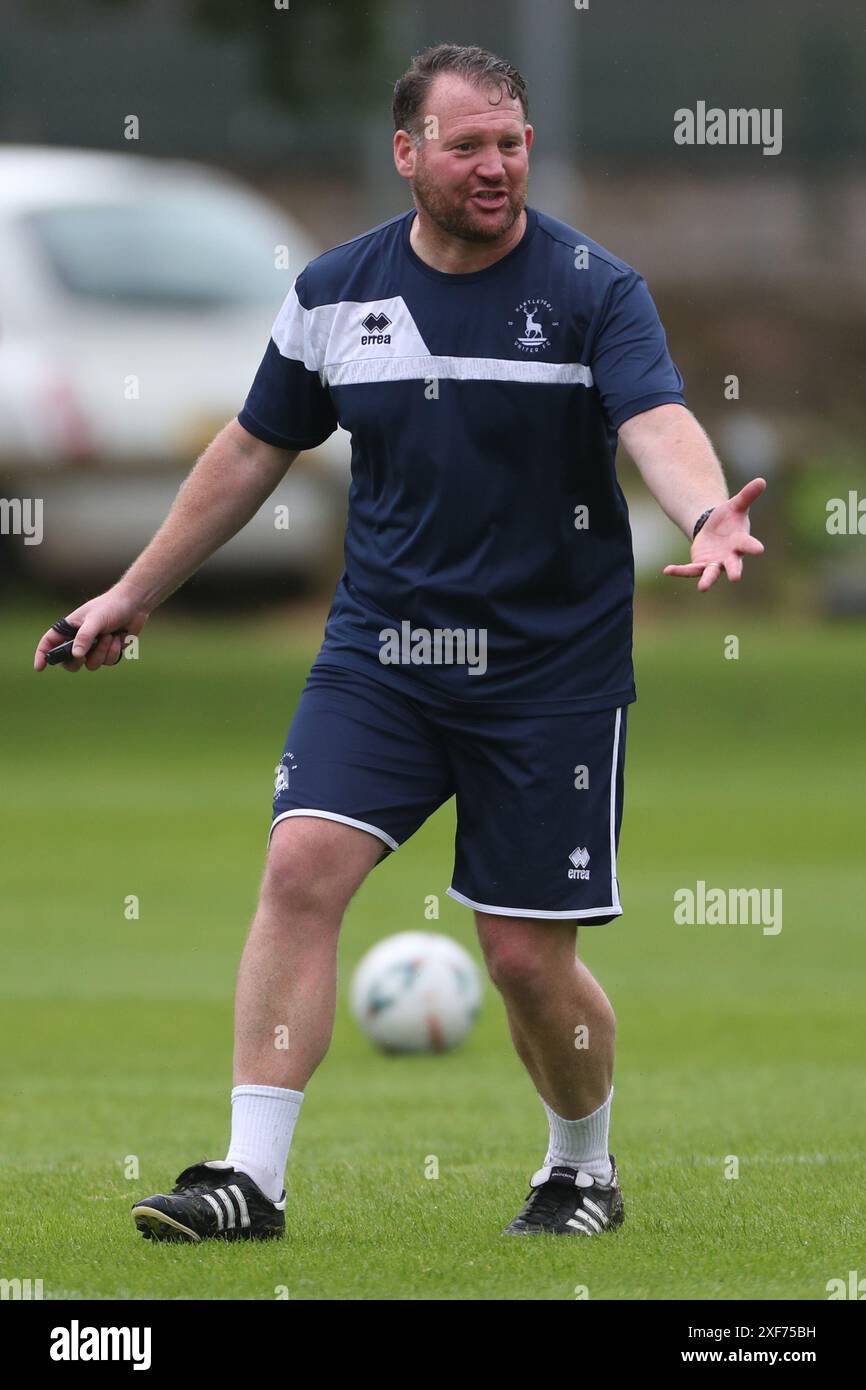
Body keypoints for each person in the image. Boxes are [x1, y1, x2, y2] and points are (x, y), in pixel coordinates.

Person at [34, 42, 765, 1242]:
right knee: (297, 867)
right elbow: (249, 451)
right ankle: (247, 1179)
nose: (495, 167)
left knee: (525, 962)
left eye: (511, 143)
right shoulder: (334, 291)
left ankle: (580, 1168)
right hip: (384, 655)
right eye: (467, 144)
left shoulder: (592, 288)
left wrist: (700, 511)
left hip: (548, 672)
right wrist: (133, 591)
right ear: (406, 152)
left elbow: (655, 416)